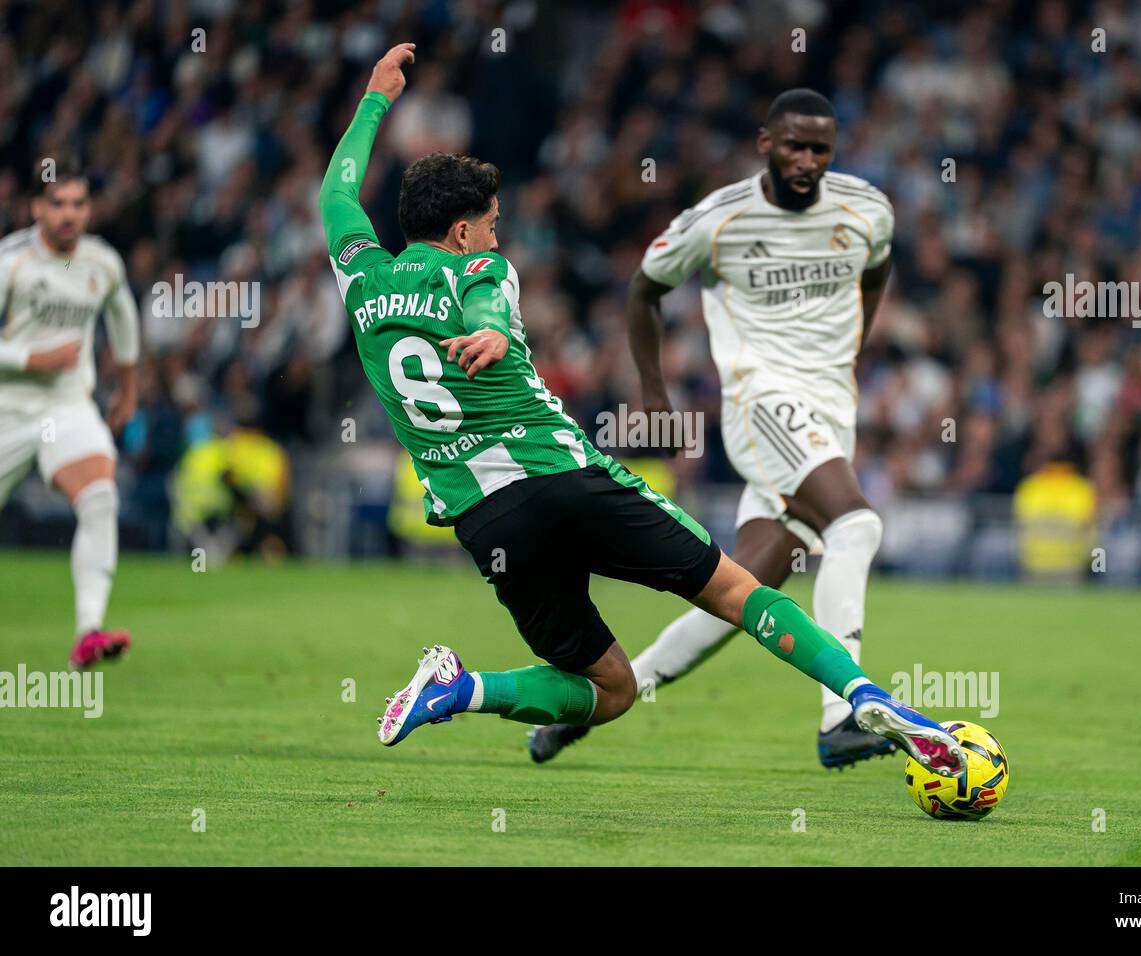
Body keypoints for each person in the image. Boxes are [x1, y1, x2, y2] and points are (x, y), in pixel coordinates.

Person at [319, 44, 965, 780]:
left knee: (612, 689)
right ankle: (859, 695)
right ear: (465, 230)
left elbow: (335, 198)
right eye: (491, 223)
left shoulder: (362, 279)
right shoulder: (480, 267)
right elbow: (486, 294)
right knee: (735, 590)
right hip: (560, 477)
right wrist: (494, 327)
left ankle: (460, 690)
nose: (496, 235)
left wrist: (374, 98)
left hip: (485, 521)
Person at [532, 89, 896, 769]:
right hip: (763, 400)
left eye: (820, 148)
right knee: (857, 524)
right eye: (794, 144)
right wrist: (653, 394)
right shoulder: (720, 218)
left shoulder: (867, 208)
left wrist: (853, 345)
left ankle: (590, 704)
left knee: (742, 594)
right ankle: (843, 713)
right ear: (766, 142)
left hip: (830, 408)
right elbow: (645, 288)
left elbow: (877, 269)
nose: (807, 160)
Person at [0, 159, 139, 668]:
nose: (68, 215)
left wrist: (128, 386)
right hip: (6, 408)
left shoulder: (101, 263)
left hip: (66, 405)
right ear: (36, 207)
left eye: (79, 204)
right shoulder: (10, 262)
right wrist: (29, 359)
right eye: (57, 204)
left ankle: (89, 631)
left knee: (100, 498)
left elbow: (123, 316)